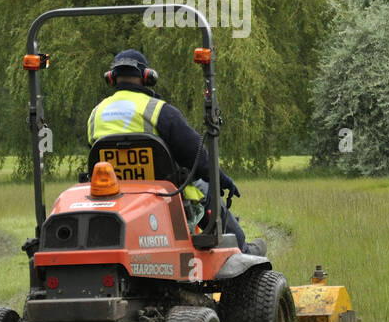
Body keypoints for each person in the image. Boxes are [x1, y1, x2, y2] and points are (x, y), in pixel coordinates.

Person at [87, 49, 265, 257]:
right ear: (148, 77)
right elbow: (196, 156)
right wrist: (221, 179)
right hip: (164, 196)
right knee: (204, 187)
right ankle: (243, 250)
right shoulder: (159, 111)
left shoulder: (95, 114)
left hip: (115, 196)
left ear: (111, 78)